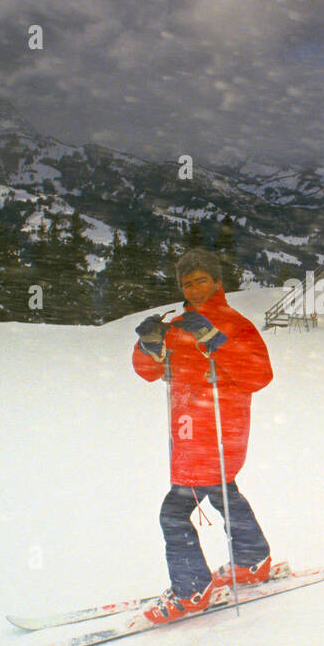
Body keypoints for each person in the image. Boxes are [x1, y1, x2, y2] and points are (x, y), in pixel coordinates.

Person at [131, 249, 275, 623]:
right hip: (188, 431)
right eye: (187, 283)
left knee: (174, 512)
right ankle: (252, 559)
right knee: (224, 494)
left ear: (217, 282)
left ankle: (192, 590)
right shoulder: (179, 324)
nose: (194, 288)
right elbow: (150, 371)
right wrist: (148, 345)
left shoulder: (235, 324)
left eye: (201, 281)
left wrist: (216, 340)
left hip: (218, 430)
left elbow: (258, 375)